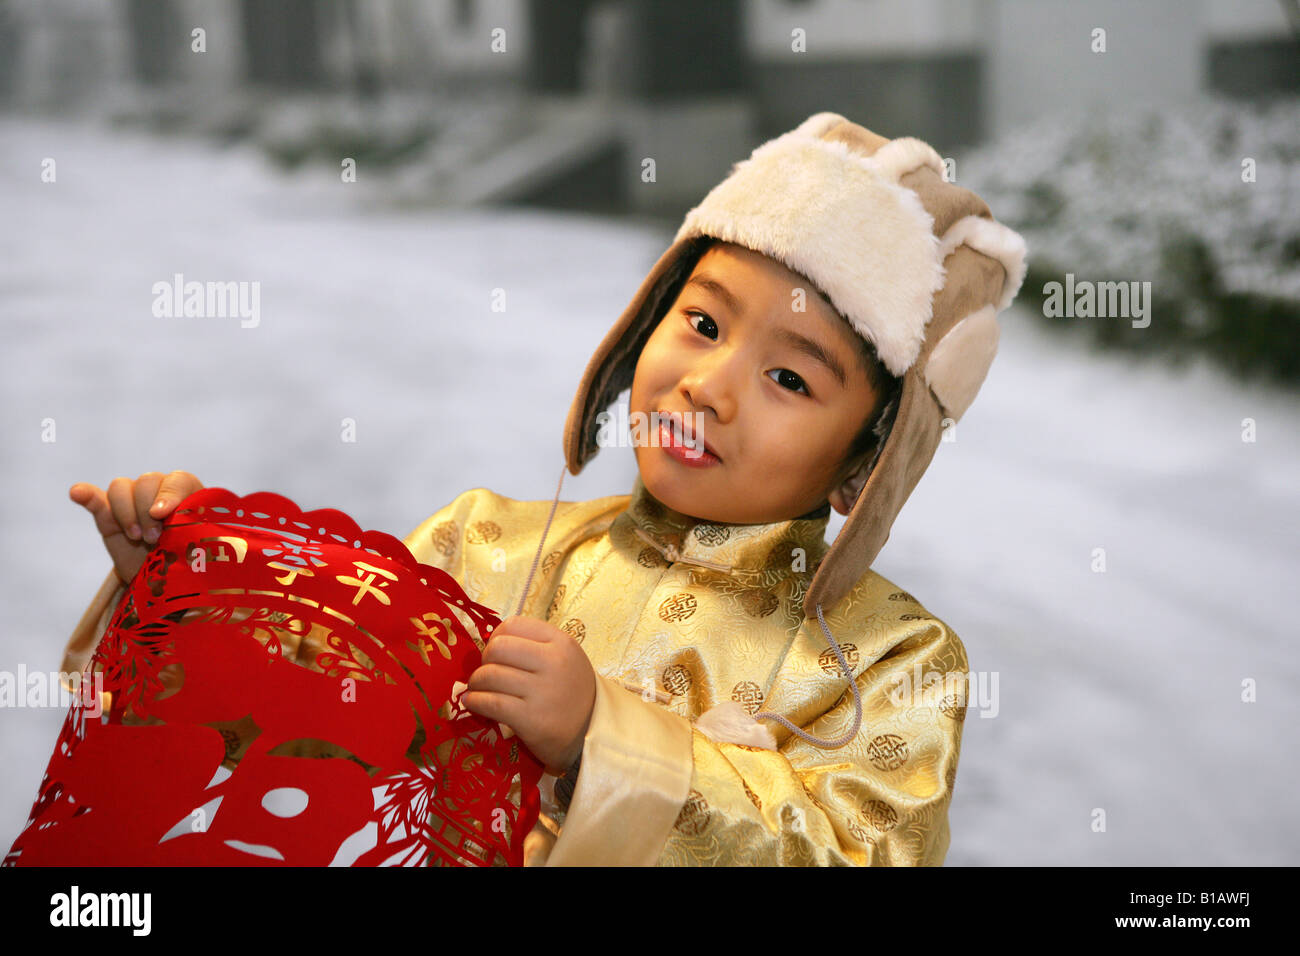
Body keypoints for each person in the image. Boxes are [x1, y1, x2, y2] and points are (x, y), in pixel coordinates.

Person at [64, 112, 1027, 865]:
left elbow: (858, 854)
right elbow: (289, 732)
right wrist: (198, 586)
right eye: (701, 322)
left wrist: (608, 745)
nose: (709, 385)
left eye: (790, 379)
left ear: (870, 454)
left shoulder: (889, 662)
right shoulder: (478, 545)